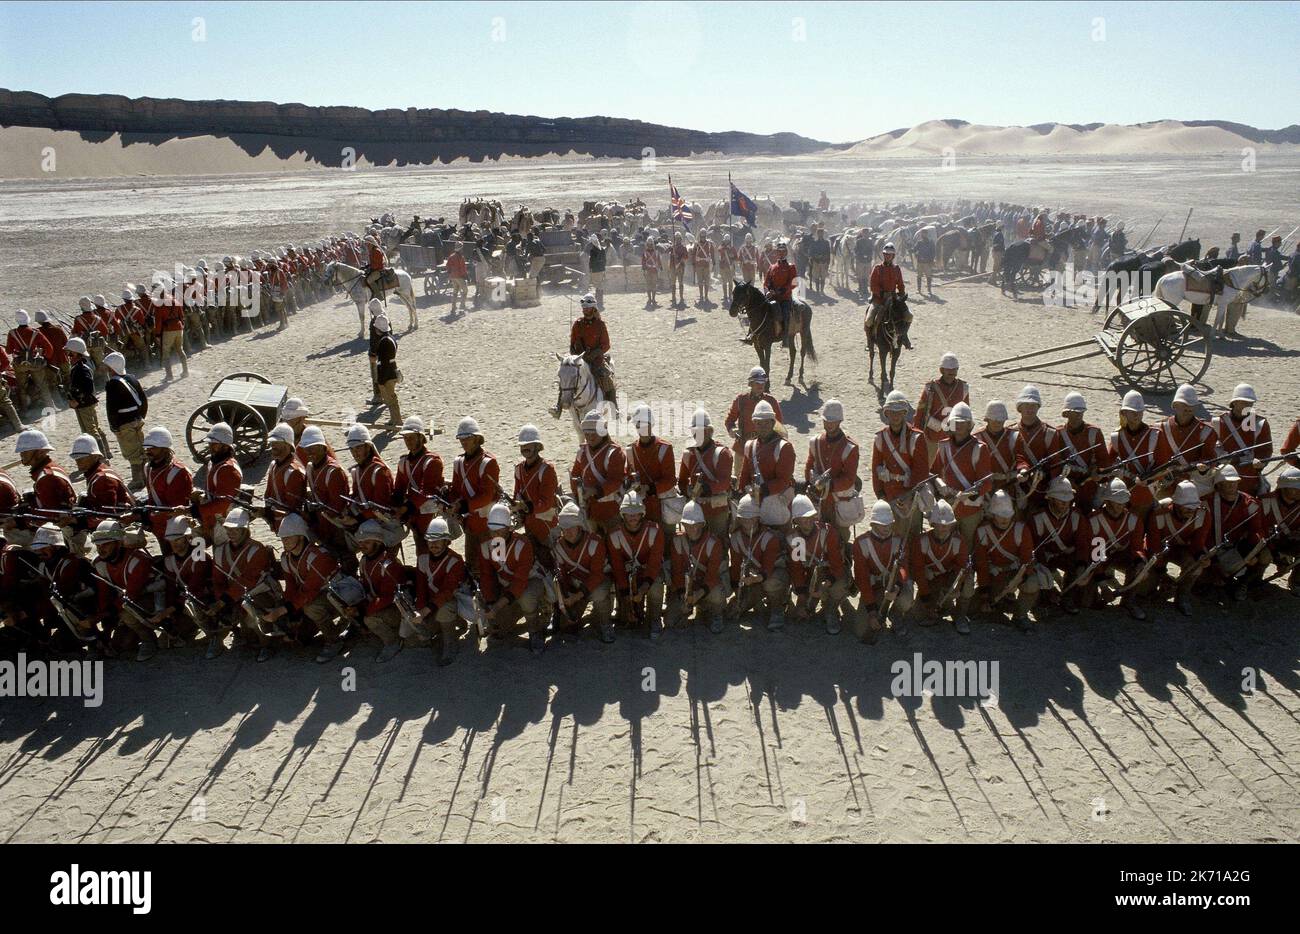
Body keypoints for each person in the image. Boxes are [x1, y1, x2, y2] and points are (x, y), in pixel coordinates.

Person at [479, 502, 550, 655]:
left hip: (529, 583)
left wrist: (497, 606)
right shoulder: (487, 546)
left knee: (526, 597)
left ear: (509, 528)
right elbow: (486, 576)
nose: (495, 535)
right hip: (508, 587)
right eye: (492, 531)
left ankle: (534, 632)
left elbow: (520, 581)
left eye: (499, 530)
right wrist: (490, 601)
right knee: (500, 625)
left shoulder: (522, 544)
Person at [1073, 478, 1147, 619]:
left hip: (1122, 556)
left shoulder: (1134, 520)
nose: (1120, 504)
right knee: (1085, 602)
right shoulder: (1094, 520)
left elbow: (1136, 547)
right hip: (1099, 559)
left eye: (1122, 501)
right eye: (1116, 501)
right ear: (1107, 501)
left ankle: (1129, 601)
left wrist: (1141, 562)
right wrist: (1103, 586)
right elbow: (1096, 555)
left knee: (1139, 568)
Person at [88, 519, 161, 661]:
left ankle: (149, 640)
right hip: (124, 604)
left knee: (127, 611)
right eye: (98, 545)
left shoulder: (138, 560)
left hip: (148, 602)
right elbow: (104, 594)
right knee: (120, 645)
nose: (100, 549)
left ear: (119, 543)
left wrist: (101, 616)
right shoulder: (99, 563)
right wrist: (106, 624)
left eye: (106, 544)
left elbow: (132, 593)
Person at [1142, 480, 1209, 616]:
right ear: (1176, 504)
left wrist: (1200, 556)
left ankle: (1182, 596)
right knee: (1145, 588)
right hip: (1159, 552)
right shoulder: (1159, 514)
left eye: (1193, 506)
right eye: (1186, 506)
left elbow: (1198, 542)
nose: (1191, 510)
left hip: (1182, 550)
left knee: (1196, 567)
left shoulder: (1203, 514)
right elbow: (1153, 545)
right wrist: (1161, 572)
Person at [973, 490, 1038, 631]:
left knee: (1032, 583)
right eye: (1000, 515)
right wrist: (984, 591)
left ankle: (1020, 616)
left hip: (1016, 572)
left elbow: (1027, 559)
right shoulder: (982, 531)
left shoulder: (1022, 529)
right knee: (985, 606)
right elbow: (982, 564)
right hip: (995, 575)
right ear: (992, 514)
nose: (1004, 519)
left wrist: (1020, 579)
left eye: (1007, 515)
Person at [551, 502, 614, 643]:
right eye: (564, 528)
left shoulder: (595, 542)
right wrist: (566, 595)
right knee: (565, 624)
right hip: (576, 584)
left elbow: (597, 575)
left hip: (595, 582)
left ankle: (606, 625)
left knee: (599, 593)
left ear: (579, 527)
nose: (568, 532)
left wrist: (577, 596)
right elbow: (562, 575)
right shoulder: (558, 546)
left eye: (571, 527)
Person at [607, 491, 666, 639]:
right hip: (627, 577)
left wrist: (642, 590)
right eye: (628, 513)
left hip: (647, 575)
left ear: (642, 514)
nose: (633, 517)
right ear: (622, 515)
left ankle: (655, 619)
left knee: (657, 585)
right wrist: (627, 595)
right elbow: (618, 566)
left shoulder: (655, 530)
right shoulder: (614, 534)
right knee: (627, 618)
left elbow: (654, 563)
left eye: (636, 513)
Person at [786, 493, 849, 633]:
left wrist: (825, 584)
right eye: (802, 519)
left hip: (831, 574)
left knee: (839, 587)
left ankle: (831, 611)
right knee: (802, 609)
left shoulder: (828, 533)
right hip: (811, 577)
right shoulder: (795, 539)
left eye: (809, 517)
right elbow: (797, 569)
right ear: (796, 520)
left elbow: (837, 565)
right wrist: (802, 597)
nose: (807, 521)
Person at [852, 500, 913, 643]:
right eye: (882, 524)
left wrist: (897, 586)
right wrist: (872, 611)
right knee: (861, 630)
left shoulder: (899, 540)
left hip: (893, 585)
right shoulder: (861, 543)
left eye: (889, 524)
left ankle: (896, 615)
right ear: (873, 524)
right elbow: (862, 578)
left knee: (906, 599)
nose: (886, 528)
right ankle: (879, 612)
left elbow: (903, 568)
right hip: (873, 588)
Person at [910, 500, 974, 632]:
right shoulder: (921, 541)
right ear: (933, 524)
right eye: (939, 525)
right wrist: (926, 596)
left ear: (952, 525)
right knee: (919, 615)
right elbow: (918, 570)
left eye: (946, 525)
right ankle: (938, 607)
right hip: (930, 580)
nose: (942, 528)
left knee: (967, 584)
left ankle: (960, 615)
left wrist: (957, 585)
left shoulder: (959, 541)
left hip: (949, 578)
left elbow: (962, 567)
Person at [728, 493, 788, 631]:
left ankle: (777, 609)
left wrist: (756, 579)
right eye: (744, 518)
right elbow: (736, 566)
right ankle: (753, 599)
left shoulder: (769, 537)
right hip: (752, 579)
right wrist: (738, 591)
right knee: (732, 611)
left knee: (771, 583)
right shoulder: (736, 538)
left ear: (758, 518)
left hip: (770, 575)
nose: (748, 521)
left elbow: (768, 567)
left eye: (752, 517)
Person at [412, 517, 467, 665]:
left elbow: (448, 591)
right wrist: (420, 610)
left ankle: (450, 643)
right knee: (415, 634)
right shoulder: (422, 558)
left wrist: (426, 610)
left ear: (446, 541)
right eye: (430, 540)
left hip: (450, 601)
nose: (433, 544)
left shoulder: (455, 560)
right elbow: (421, 588)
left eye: (438, 540)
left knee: (444, 608)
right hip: (431, 604)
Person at [678, 408, 733, 539]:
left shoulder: (722, 453)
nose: (697, 434)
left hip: (716, 509)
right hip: (695, 509)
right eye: (695, 431)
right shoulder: (689, 454)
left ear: (710, 431)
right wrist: (689, 491)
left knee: (719, 543)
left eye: (701, 431)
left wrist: (707, 488)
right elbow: (682, 481)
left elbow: (725, 482)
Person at [570, 409, 626, 535]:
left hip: (611, 509)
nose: (590, 437)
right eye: (587, 434)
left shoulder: (614, 453)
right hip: (589, 509)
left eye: (593, 433)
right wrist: (578, 492)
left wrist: (595, 491)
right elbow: (575, 475)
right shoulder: (582, 452)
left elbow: (616, 481)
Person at [140, 426, 194, 548]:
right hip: (158, 526)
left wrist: (147, 515)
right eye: (147, 448)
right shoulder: (147, 468)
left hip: (177, 529)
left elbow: (176, 509)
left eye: (153, 448)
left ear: (165, 449)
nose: (148, 451)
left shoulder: (178, 472)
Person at [1213, 383, 1271, 496]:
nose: (1248, 406)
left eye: (1250, 403)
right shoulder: (1217, 423)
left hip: (1248, 478)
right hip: (1223, 478)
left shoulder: (1260, 423)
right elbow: (1210, 450)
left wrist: (1261, 463)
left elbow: (1265, 450)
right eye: (1244, 402)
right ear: (1234, 402)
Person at [725, 366, 782, 479]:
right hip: (742, 448)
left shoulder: (771, 401)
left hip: (764, 448)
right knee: (737, 479)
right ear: (750, 384)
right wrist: (732, 430)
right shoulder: (741, 400)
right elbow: (730, 420)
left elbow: (779, 426)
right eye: (757, 382)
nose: (761, 385)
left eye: (763, 382)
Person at [1057, 392, 1111, 508]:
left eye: (1081, 412)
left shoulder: (1094, 432)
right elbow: (1055, 462)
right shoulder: (1058, 433)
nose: (1079, 416)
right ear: (1066, 413)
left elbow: (1104, 461)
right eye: (1075, 413)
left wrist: (1097, 471)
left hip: (1088, 486)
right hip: (1065, 485)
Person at [914, 352, 969, 466]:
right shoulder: (930, 388)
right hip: (932, 435)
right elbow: (920, 412)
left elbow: (966, 414)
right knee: (928, 467)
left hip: (954, 436)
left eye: (954, 370)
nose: (952, 373)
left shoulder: (963, 388)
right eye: (949, 370)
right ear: (941, 370)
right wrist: (916, 435)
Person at [103, 352, 147, 490]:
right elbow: (143, 400)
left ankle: (138, 480)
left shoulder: (112, 384)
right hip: (138, 419)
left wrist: (114, 426)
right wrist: (141, 416)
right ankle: (146, 475)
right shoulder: (132, 378)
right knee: (142, 449)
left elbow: (111, 408)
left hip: (124, 422)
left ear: (112, 368)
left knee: (132, 453)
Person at [63, 337, 111, 459]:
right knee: (93, 428)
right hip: (84, 402)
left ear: (74, 352)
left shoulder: (81, 368)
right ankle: (106, 452)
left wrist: (76, 400)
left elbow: (87, 388)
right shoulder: (80, 365)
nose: (68, 355)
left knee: (91, 430)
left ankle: (102, 457)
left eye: (69, 352)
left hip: (84, 403)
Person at [570, 292, 616, 403]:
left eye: (587, 308)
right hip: (580, 360)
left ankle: (615, 408)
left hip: (596, 361)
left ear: (593, 309)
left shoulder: (600, 325)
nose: (584, 310)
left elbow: (606, 345)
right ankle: (559, 406)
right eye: (583, 308)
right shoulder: (577, 324)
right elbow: (572, 344)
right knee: (566, 379)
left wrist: (594, 354)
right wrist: (574, 356)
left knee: (607, 382)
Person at [1260, 467, 1300, 595]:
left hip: (1290, 542)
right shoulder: (1265, 502)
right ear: (1284, 487)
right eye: (1296, 488)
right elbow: (1258, 529)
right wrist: (1278, 557)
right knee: (1261, 556)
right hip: (1266, 543)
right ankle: (1249, 581)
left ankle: (1296, 581)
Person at [763, 241, 798, 347]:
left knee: (785, 315)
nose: (781, 253)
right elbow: (766, 282)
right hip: (772, 297)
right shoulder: (772, 267)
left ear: (786, 252)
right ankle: (753, 334)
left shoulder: (791, 267)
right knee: (759, 311)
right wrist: (767, 291)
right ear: (776, 253)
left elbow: (794, 283)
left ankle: (785, 338)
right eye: (779, 251)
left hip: (784, 298)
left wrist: (782, 291)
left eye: (783, 251)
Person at [370, 314, 401, 427]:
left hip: (386, 372)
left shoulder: (384, 342)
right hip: (392, 369)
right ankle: (394, 419)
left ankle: (396, 420)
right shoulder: (391, 338)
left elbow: (384, 362)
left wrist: (381, 379)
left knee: (390, 398)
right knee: (391, 398)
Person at [153, 284, 188, 380]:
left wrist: (158, 334)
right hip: (179, 327)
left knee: (166, 353)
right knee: (180, 350)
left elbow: (158, 322)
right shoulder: (176, 301)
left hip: (168, 330)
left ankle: (169, 375)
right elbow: (182, 316)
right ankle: (185, 371)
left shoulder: (159, 306)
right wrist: (181, 326)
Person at [446, 243, 469, 313]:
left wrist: (450, 274)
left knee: (455, 291)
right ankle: (462, 304)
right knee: (465, 290)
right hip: (459, 276)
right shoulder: (460, 257)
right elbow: (463, 268)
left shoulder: (451, 256)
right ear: (460, 249)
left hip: (453, 277)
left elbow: (447, 266)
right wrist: (466, 276)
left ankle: (453, 307)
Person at [641, 238, 660, 306]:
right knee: (648, 285)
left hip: (654, 271)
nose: (650, 245)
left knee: (654, 285)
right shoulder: (645, 252)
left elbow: (658, 260)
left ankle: (653, 299)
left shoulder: (656, 252)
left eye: (651, 244)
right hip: (648, 271)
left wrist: (660, 268)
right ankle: (649, 299)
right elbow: (643, 262)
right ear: (647, 244)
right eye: (649, 244)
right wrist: (644, 270)